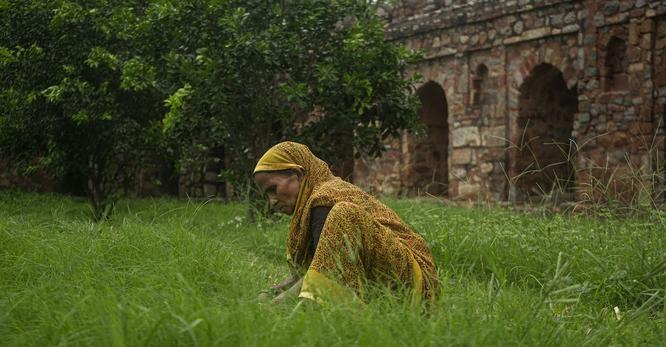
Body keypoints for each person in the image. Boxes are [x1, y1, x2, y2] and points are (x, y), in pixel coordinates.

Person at [253, 141, 439, 304]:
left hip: (417, 283)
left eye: (273, 189)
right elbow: (310, 271)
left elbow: (324, 269)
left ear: (298, 174)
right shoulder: (313, 203)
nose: (272, 201)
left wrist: (275, 306)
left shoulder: (324, 200)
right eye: (267, 195)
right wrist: (268, 293)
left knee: (345, 213)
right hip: (399, 281)